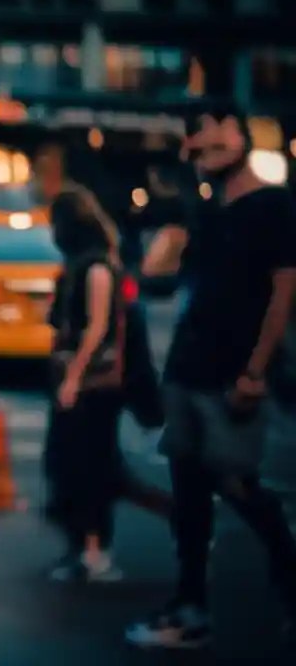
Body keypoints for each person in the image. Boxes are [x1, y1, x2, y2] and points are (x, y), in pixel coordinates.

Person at [125, 105, 296, 649]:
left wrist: (256, 371)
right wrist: (185, 178)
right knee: (190, 491)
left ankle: (290, 585)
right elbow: (166, 277)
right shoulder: (208, 212)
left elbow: (284, 290)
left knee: (237, 482)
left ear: (243, 134)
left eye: (216, 126)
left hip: (231, 374)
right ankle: (190, 608)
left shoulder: (273, 204)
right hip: (187, 369)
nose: (202, 140)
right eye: (194, 135)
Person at [43, 186, 129, 582]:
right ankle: (81, 548)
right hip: (76, 380)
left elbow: (97, 329)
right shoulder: (79, 265)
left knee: (90, 467)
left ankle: (95, 552)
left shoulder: (96, 267)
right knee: (68, 465)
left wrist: (74, 378)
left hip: (94, 387)